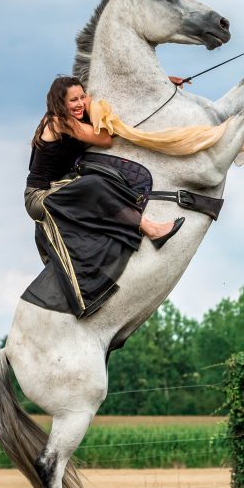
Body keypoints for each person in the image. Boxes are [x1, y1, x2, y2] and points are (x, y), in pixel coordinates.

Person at [22, 76, 184, 318]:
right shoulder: (60, 122)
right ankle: (150, 229)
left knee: (104, 178)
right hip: (40, 196)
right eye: (72, 100)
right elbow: (105, 139)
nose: (79, 104)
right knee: (94, 183)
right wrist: (93, 108)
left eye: (82, 98)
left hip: (61, 185)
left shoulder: (74, 118)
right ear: (60, 103)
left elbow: (117, 89)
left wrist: (162, 82)